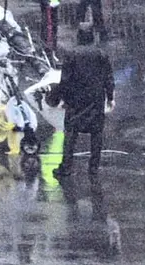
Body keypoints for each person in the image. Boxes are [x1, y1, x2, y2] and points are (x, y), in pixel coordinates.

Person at [49, 25, 112, 179]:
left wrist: (58, 98)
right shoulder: (101, 54)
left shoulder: (72, 54)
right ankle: (94, 167)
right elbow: (108, 78)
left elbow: (65, 80)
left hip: (76, 99)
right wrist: (110, 97)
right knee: (96, 133)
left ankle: (66, 167)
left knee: (71, 133)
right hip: (96, 99)